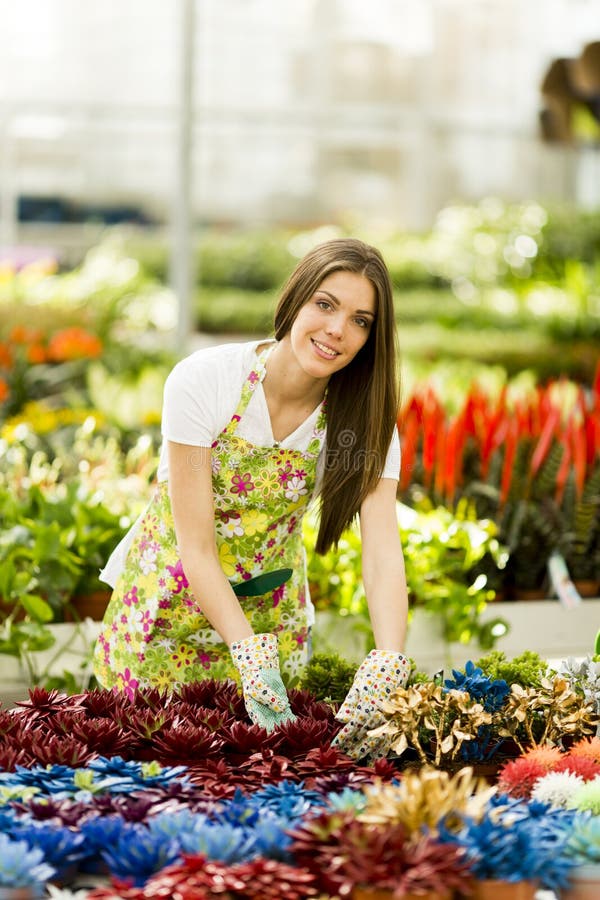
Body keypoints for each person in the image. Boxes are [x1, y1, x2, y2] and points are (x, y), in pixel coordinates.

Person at [93, 237, 410, 760]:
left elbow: (381, 555)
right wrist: (247, 653)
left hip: (269, 615)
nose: (337, 329)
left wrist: (388, 661)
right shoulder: (209, 381)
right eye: (325, 304)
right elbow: (195, 544)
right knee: (148, 777)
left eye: (360, 320)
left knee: (261, 780)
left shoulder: (362, 423)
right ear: (295, 299)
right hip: (168, 609)